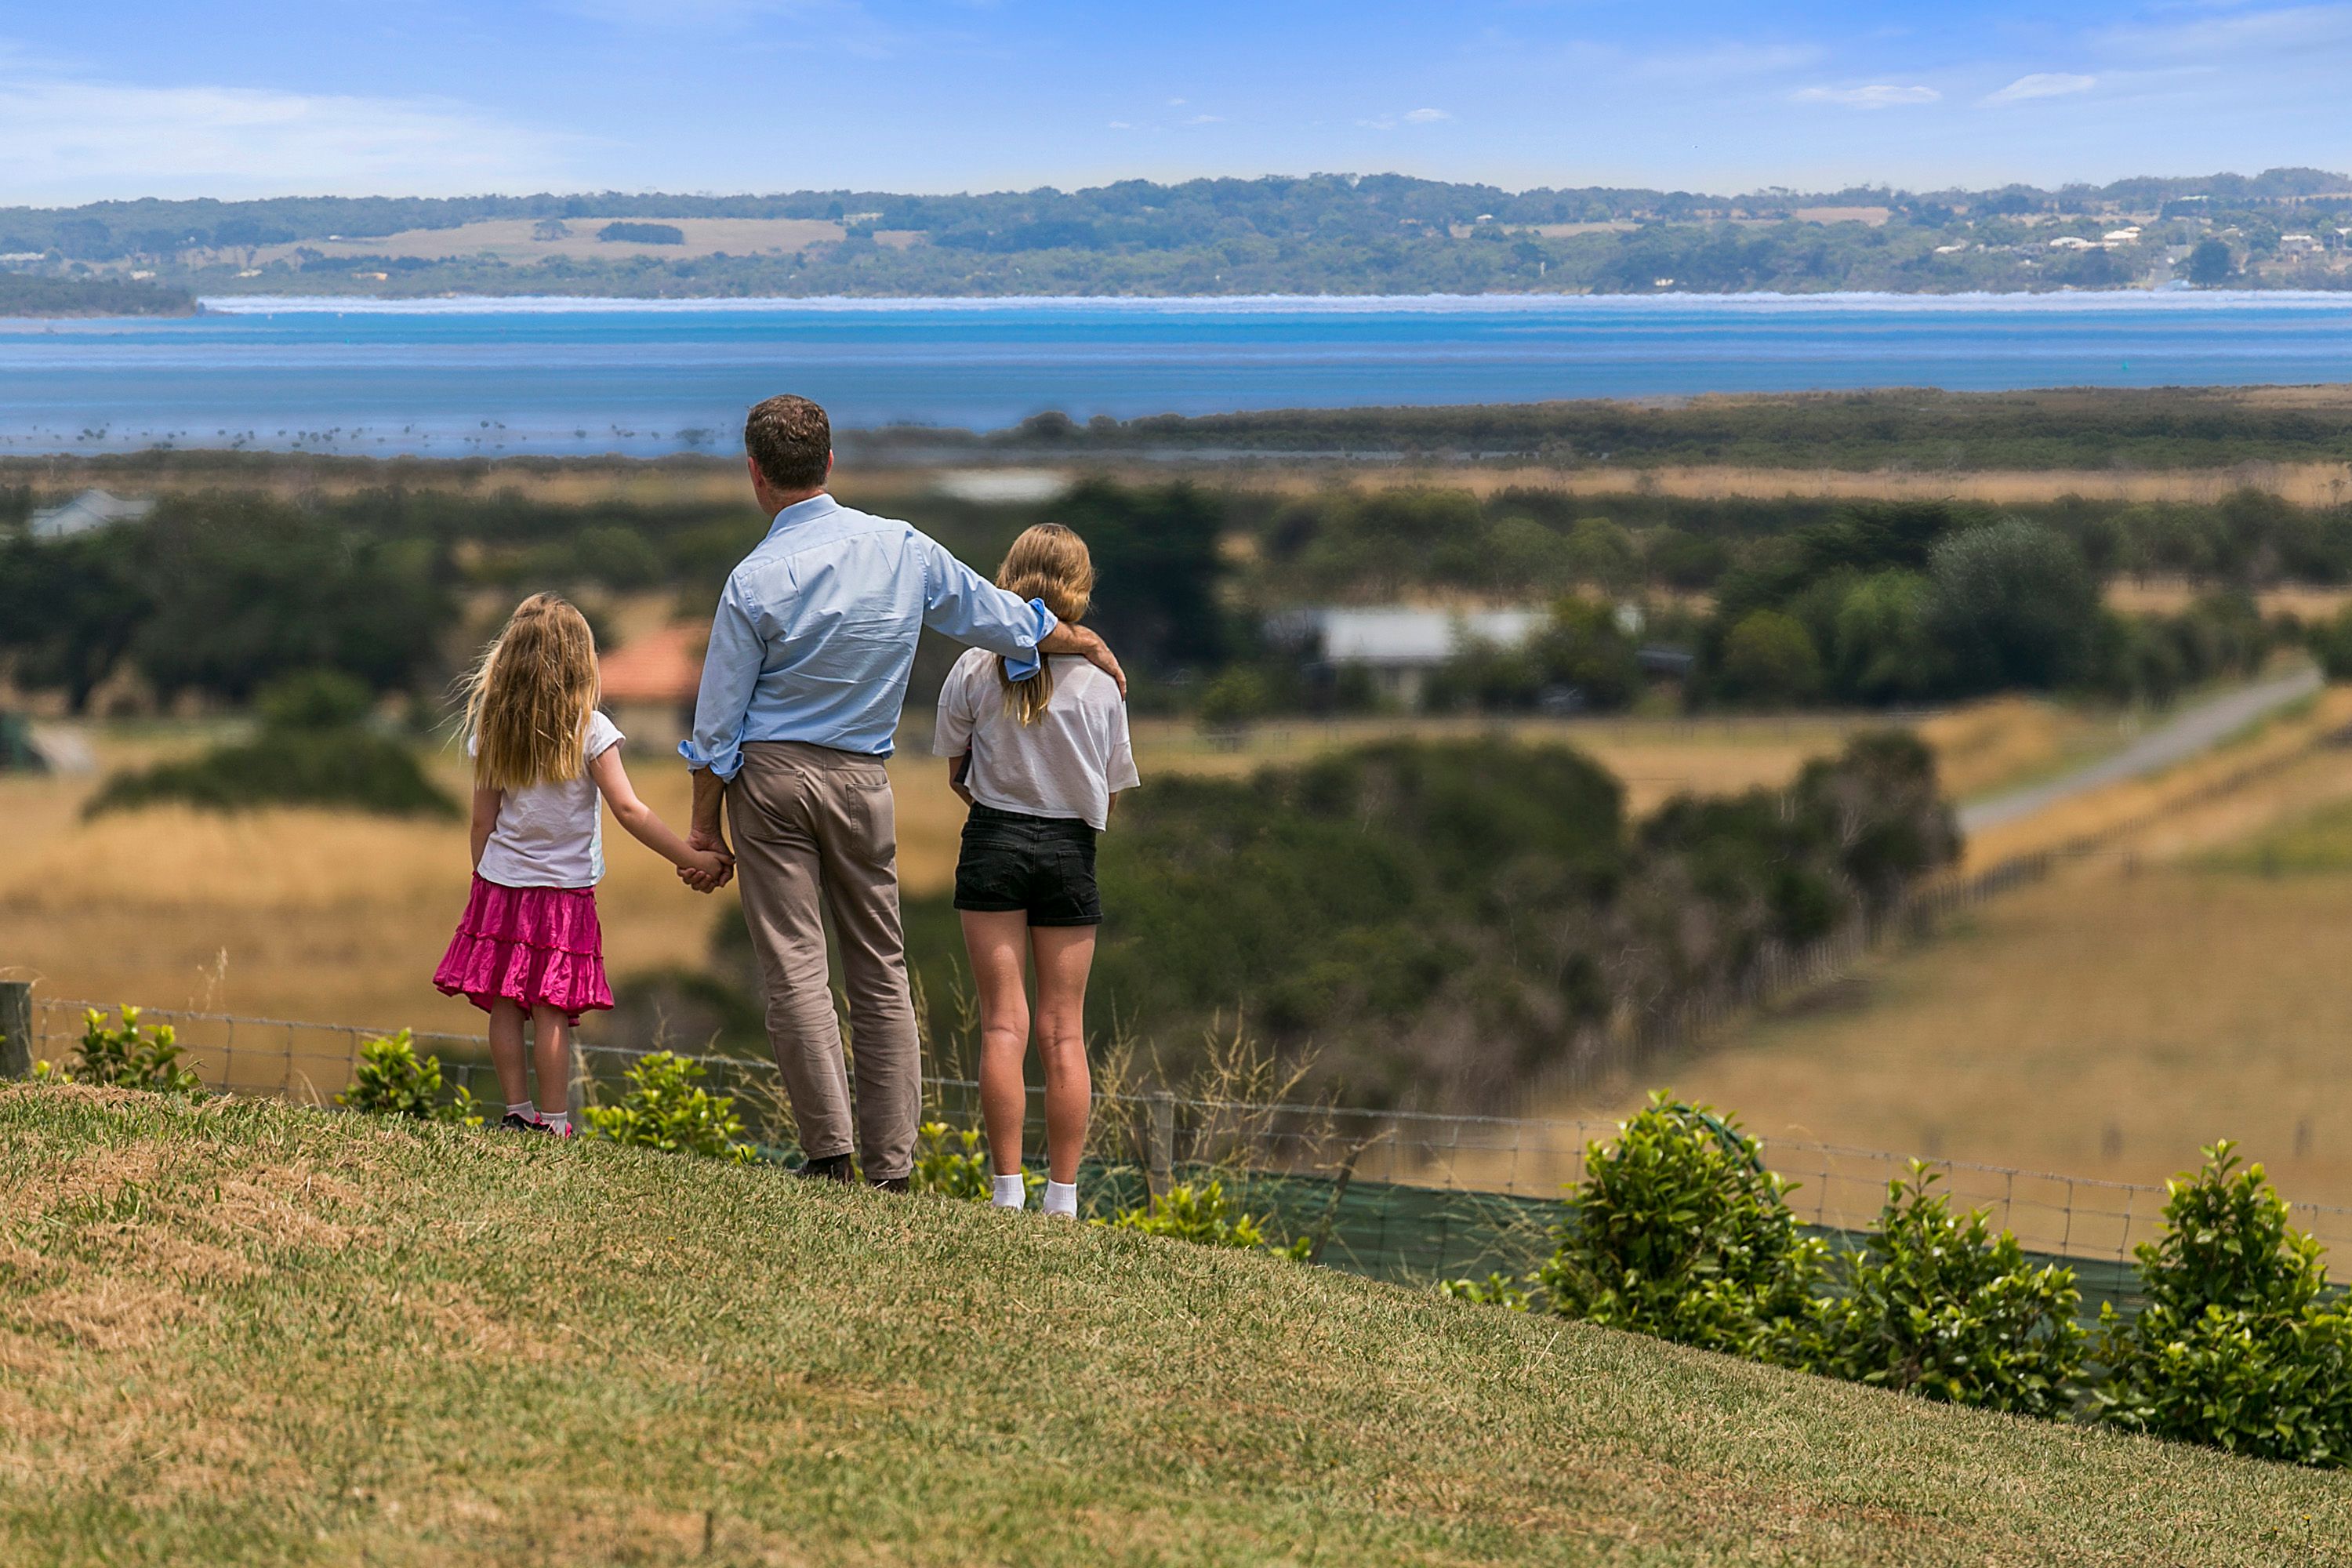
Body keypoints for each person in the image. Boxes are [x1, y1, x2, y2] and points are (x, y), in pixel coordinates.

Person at [681, 395, 1125, 1191]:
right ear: (830, 464)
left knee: (795, 967)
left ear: (755, 473)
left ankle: (829, 1153)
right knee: (880, 968)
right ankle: (891, 1167)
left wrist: (704, 828)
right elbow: (1000, 619)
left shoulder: (752, 578)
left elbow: (716, 729)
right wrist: (1076, 638)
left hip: (773, 782)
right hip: (863, 782)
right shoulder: (902, 547)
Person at [434, 593, 730, 1136]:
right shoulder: (590, 728)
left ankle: (515, 1113)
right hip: (562, 894)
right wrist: (692, 857)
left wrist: (486, 877)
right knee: (549, 1008)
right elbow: (628, 809)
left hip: (500, 885)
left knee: (504, 1004)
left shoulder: (495, 727)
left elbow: (482, 822)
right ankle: (554, 1121)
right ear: (581, 660)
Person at [934, 524, 1137, 1218]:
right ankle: (1064, 1197)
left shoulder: (972, 667)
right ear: (1081, 586)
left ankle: (1005, 1191)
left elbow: (957, 771)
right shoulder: (1103, 682)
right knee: (1064, 1031)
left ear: (1008, 576)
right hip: (1069, 852)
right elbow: (1108, 791)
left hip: (992, 840)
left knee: (1002, 1026)